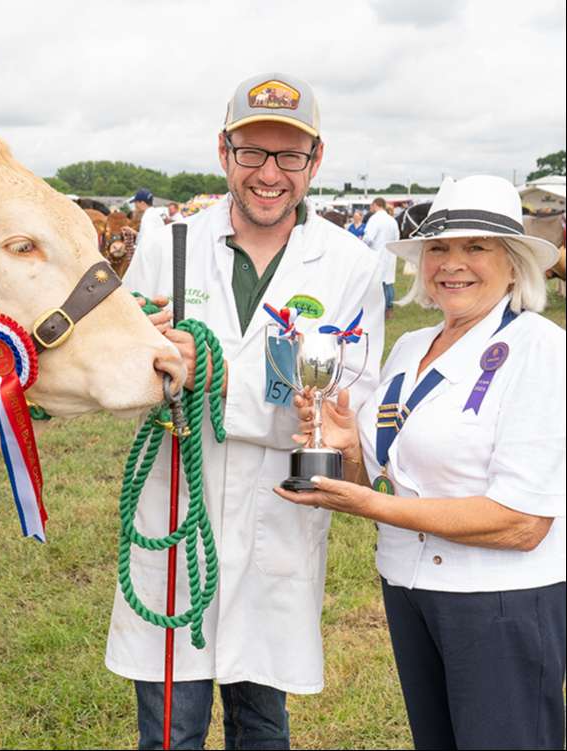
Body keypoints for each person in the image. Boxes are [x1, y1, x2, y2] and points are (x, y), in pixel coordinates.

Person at [108, 72, 386, 750]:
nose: (269, 173)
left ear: (315, 161)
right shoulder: (166, 244)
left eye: (289, 155)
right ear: (222, 152)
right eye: (251, 152)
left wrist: (217, 374)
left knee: (261, 724)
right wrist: (148, 360)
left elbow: (345, 410)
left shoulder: (347, 265)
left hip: (274, 527)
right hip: (176, 516)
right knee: (169, 731)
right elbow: (126, 375)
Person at [277, 175, 565, 750]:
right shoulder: (411, 348)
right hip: (410, 588)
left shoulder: (543, 349)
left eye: (476, 246)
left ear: (514, 264)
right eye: (438, 247)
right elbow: (394, 480)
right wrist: (351, 453)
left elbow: (523, 523)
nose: (452, 264)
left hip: (500, 602)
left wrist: (370, 503)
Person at [363, 197, 400, 317]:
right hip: (390, 254)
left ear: (375, 205)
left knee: (377, 283)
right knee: (388, 283)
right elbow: (397, 238)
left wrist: (362, 248)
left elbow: (368, 238)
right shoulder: (392, 220)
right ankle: (389, 309)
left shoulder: (374, 219)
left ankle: (378, 309)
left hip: (376, 254)